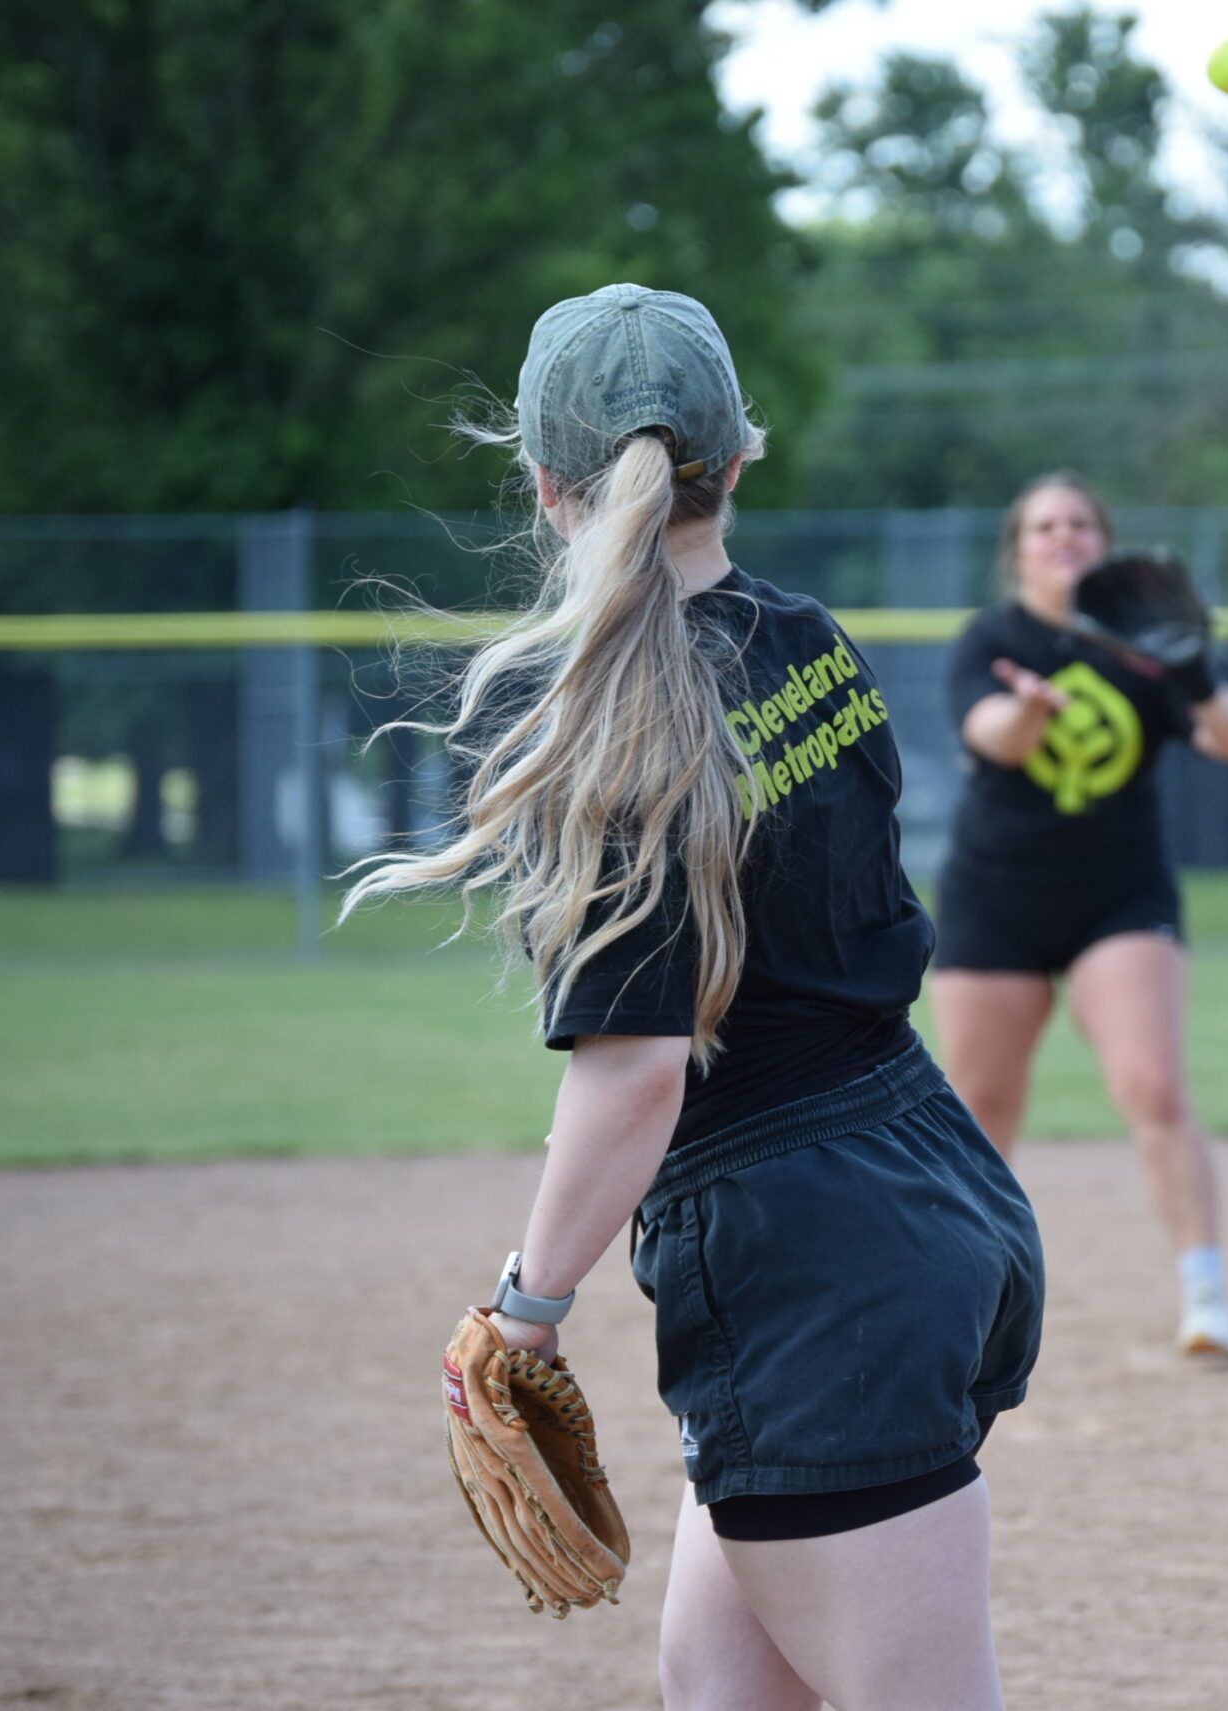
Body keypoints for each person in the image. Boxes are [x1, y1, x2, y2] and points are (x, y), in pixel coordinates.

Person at [347, 285, 1040, 1711]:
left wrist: (524, 1310)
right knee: (716, 1682)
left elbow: (635, 1069)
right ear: (742, 455)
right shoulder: (810, 638)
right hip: (921, 1191)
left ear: (546, 484)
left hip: (809, 1266)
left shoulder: (603, 717)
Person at [930, 473, 1228, 1359]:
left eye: (1080, 522)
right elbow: (989, 733)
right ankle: (956, 1302)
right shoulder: (993, 637)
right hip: (995, 894)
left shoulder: (1142, 643)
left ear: (1105, 540)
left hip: (1119, 895)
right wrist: (1030, 710)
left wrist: (1191, 671)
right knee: (980, 1108)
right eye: (1043, 525)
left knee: (1153, 1085)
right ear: (1019, 549)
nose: (1063, 536)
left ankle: (1206, 1296)